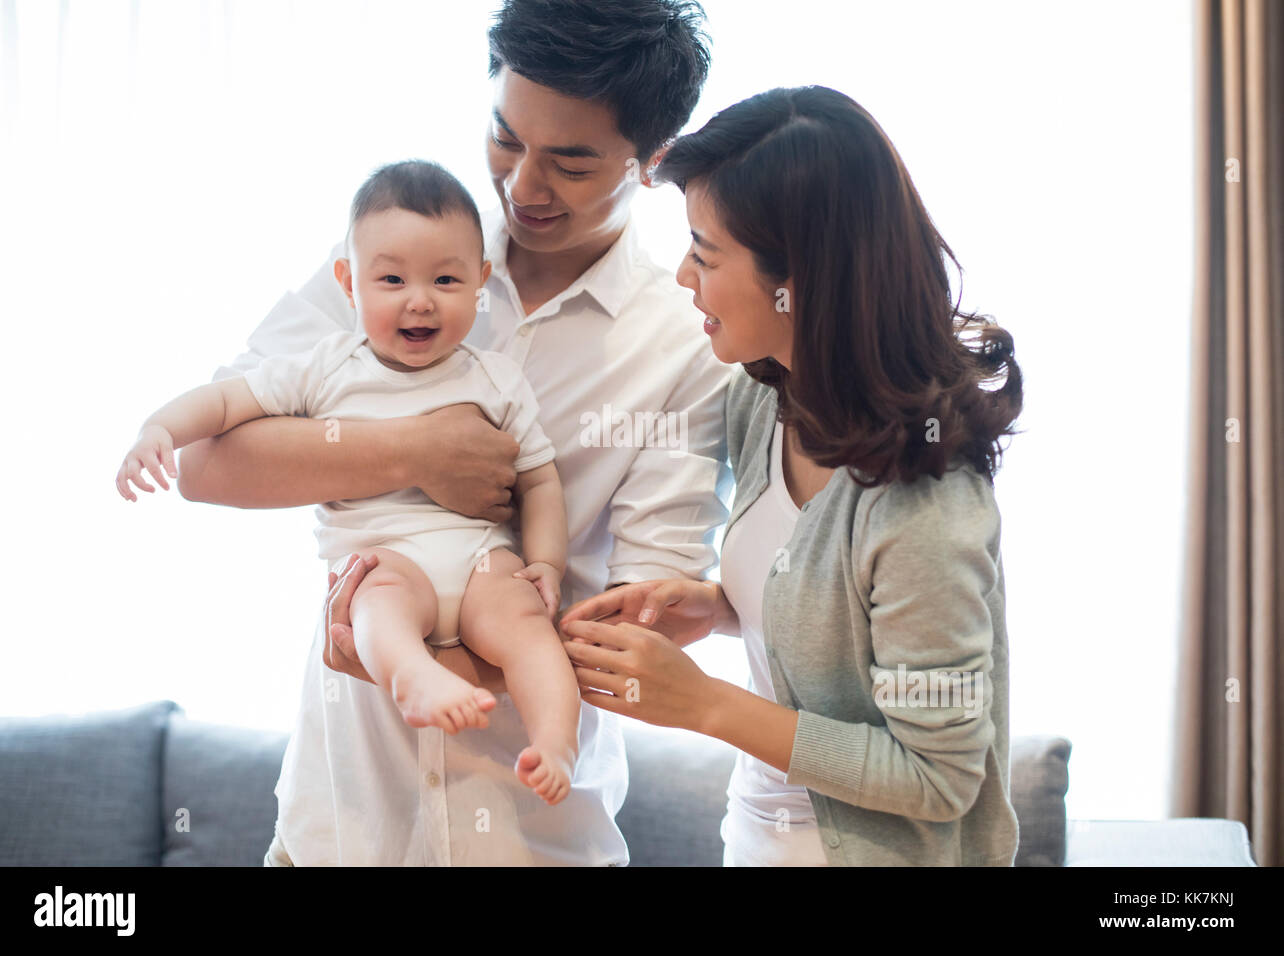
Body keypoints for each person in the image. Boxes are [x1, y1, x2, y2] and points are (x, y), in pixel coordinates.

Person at [176, 0, 727, 866]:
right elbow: (205, 463)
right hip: (340, 819)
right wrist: (414, 452)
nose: (523, 186)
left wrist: (427, 666)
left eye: (571, 163)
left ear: (651, 160)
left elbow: (640, 634)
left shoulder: (683, 346)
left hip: (529, 834)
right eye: (506, 138)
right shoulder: (391, 255)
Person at [560, 86, 1025, 866]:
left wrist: (704, 704)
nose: (682, 276)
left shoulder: (927, 507)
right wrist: (717, 607)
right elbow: (831, 609)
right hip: (755, 840)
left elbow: (938, 776)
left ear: (798, 280)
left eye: (704, 254)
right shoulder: (762, 397)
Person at [116, 160, 583, 820]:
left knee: (529, 627)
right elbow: (223, 405)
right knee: (374, 602)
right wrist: (157, 428)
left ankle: (557, 744)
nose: (419, 299)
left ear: (480, 284)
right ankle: (412, 676)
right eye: (391, 279)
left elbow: (540, 480)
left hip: (484, 563)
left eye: (445, 280)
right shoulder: (325, 367)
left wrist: (547, 562)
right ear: (349, 282)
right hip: (387, 558)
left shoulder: (496, 378)